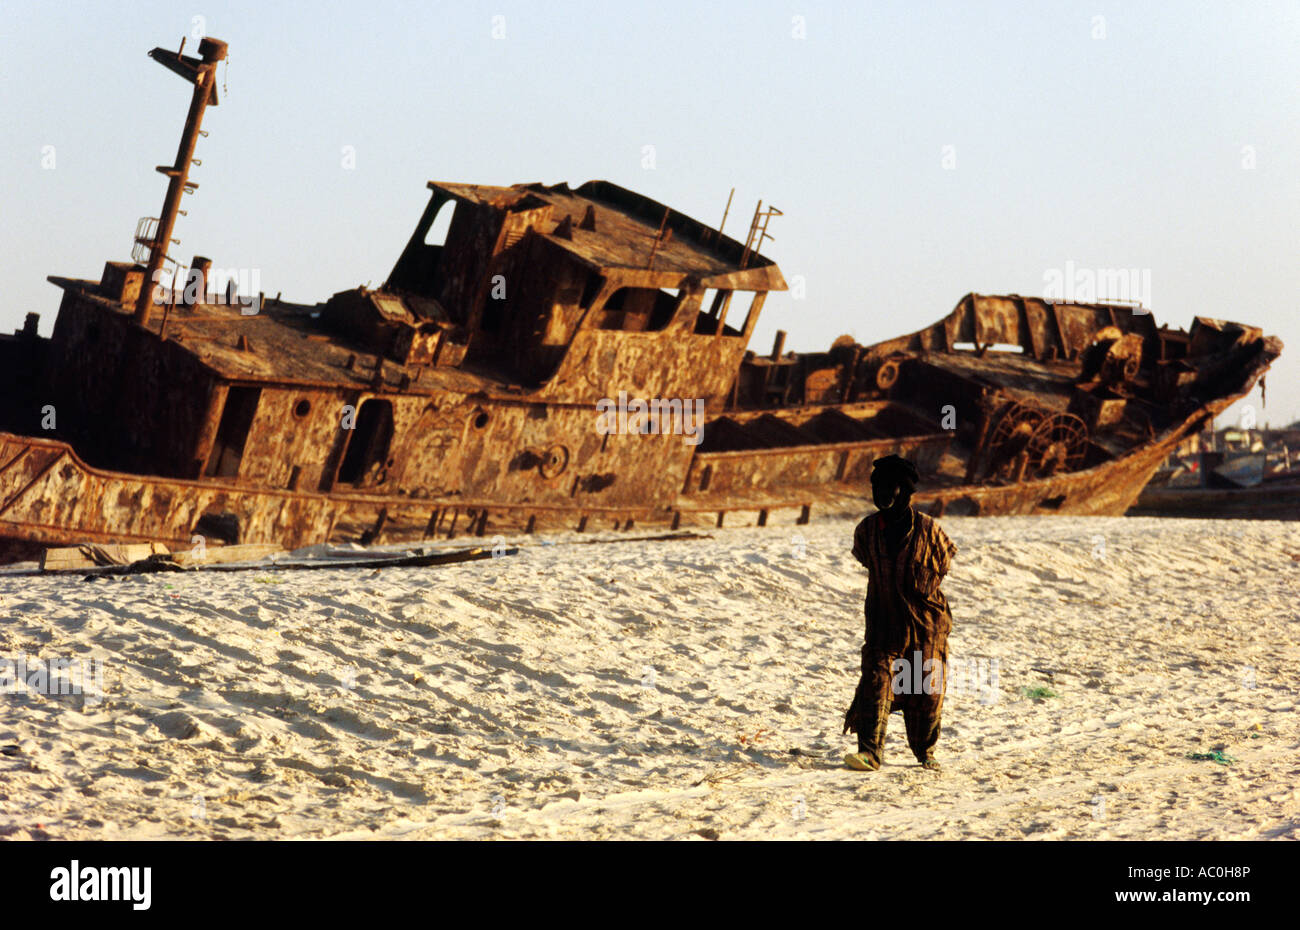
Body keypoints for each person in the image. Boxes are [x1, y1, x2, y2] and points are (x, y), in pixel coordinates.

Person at [842, 454, 957, 772]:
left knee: (925, 691)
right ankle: (870, 751)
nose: (879, 495)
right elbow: (867, 560)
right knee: (877, 679)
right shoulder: (866, 531)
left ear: (904, 492)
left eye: (887, 488)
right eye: (875, 487)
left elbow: (943, 566)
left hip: (926, 627)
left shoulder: (930, 532)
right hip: (883, 622)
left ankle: (925, 752)